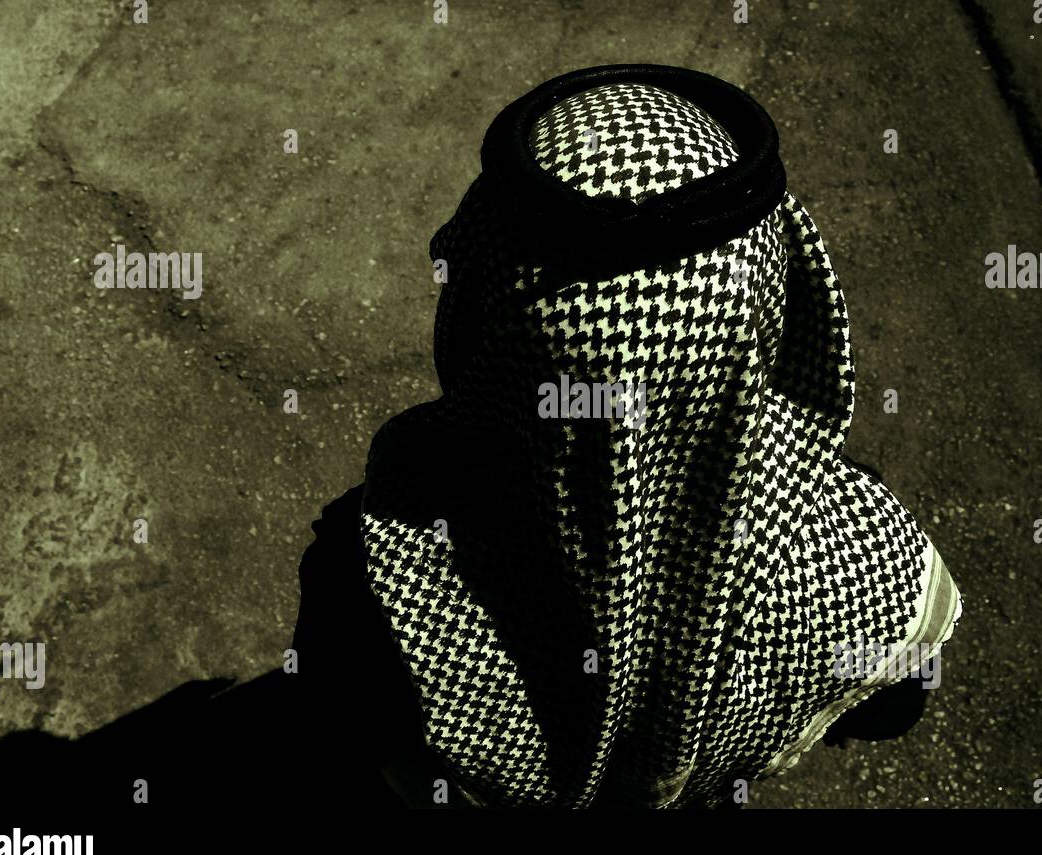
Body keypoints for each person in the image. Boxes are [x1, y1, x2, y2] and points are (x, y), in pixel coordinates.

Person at [350, 64, 963, 808]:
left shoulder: (390, 549)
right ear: (775, 298)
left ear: (482, 309)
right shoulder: (872, 571)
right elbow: (895, 712)